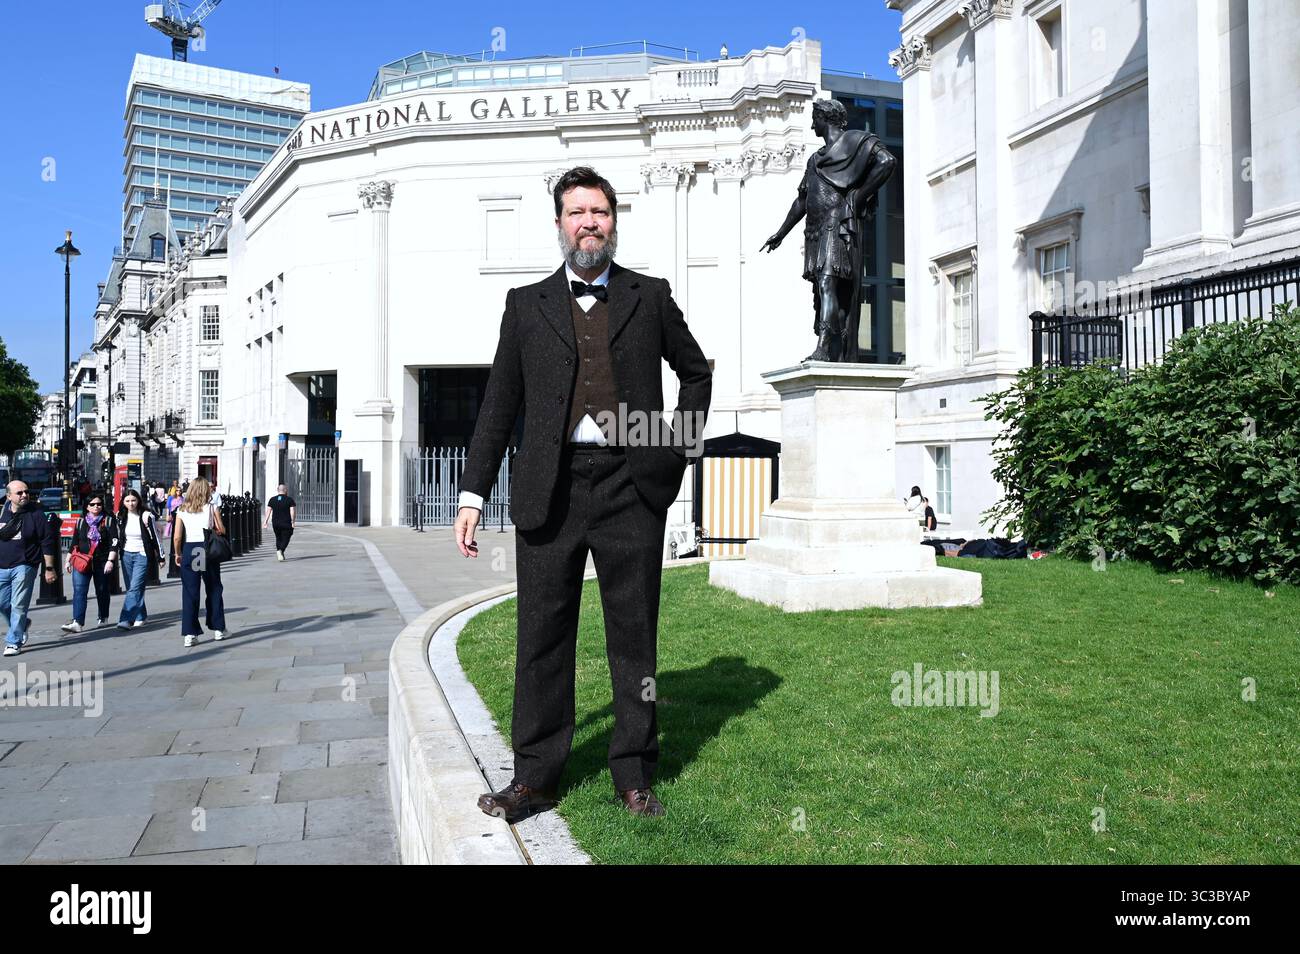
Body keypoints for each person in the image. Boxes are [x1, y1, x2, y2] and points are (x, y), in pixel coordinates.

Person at [454, 166, 711, 821]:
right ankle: (534, 778)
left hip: (632, 489)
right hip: (551, 490)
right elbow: (499, 404)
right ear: (560, 224)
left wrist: (672, 453)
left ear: (613, 221)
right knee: (541, 637)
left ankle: (633, 774)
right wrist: (472, 494)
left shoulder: (649, 296)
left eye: (599, 211)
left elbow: (696, 373)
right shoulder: (525, 304)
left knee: (633, 638)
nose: (589, 222)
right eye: (578, 212)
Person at [0, 480, 59, 656]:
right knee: (3, 604)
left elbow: (46, 541)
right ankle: (23, 624)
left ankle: (14, 641)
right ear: (9, 496)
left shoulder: (36, 514)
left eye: (26, 492)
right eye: (19, 493)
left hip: (25, 565)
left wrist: (49, 568)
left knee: (19, 604)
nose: (24, 495)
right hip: (2, 566)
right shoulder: (2, 513)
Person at [173, 476, 228, 647]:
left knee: (190, 592)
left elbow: (177, 537)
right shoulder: (212, 508)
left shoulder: (181, 509)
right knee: (213, 588)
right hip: (206, 549)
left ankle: (189, 634)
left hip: (190, 549)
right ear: (206, 490)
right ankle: (218, 629)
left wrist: (177, 554)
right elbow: (222, 530)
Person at [60, 493, 118, 633]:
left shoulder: (108, 521)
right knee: (79, 591)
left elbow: (114, 542)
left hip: (102, 561)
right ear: (87, 507)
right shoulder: (80, 522)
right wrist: (68, 561)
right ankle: (77, 622)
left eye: (99, 504)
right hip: (82, 561)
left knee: (102, 590)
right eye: (92, 504)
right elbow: (74, 543)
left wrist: (111, 560)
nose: (96, 506)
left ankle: (103, 617)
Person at [114, 488, 163, 629]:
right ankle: (141, 616)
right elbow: (118, 536)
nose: (131, 503)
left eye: (133, 500)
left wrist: (161, 556)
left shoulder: (147, 516)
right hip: (126, 555)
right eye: (127, 501)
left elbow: (155, 537)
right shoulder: (120, 516)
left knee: (134, 587)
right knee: (133, 588)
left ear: (139, 501)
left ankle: (126, 619)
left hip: (142, 554)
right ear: (123, 502)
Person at [263, 484, 296, 561]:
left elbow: (268, 511)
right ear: (285, 490)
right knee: (287, 537)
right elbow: (292, 511)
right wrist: (293, 521)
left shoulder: (272, 499)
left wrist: (265, 522)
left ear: (278, 490)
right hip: (286, 522)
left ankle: (280, 553)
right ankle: (280, 550)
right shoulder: (289, 500)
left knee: (278, 537)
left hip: (275, 523)